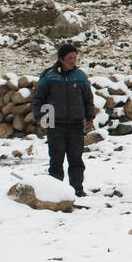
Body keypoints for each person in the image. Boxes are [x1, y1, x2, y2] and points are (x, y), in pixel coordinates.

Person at [33, 43, 95, 196]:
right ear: (61, 59)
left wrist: (90, 116)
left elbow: (88, 98)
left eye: (75, 57)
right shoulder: (49, 76)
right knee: (56, 159)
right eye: (69, 58)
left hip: (75, 125)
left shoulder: (80, 76)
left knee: (76, 159)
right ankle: (56, 191)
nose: (73, 61)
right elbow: (39, 98)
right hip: (55, 123)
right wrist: (39, 116)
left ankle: (77, 189)